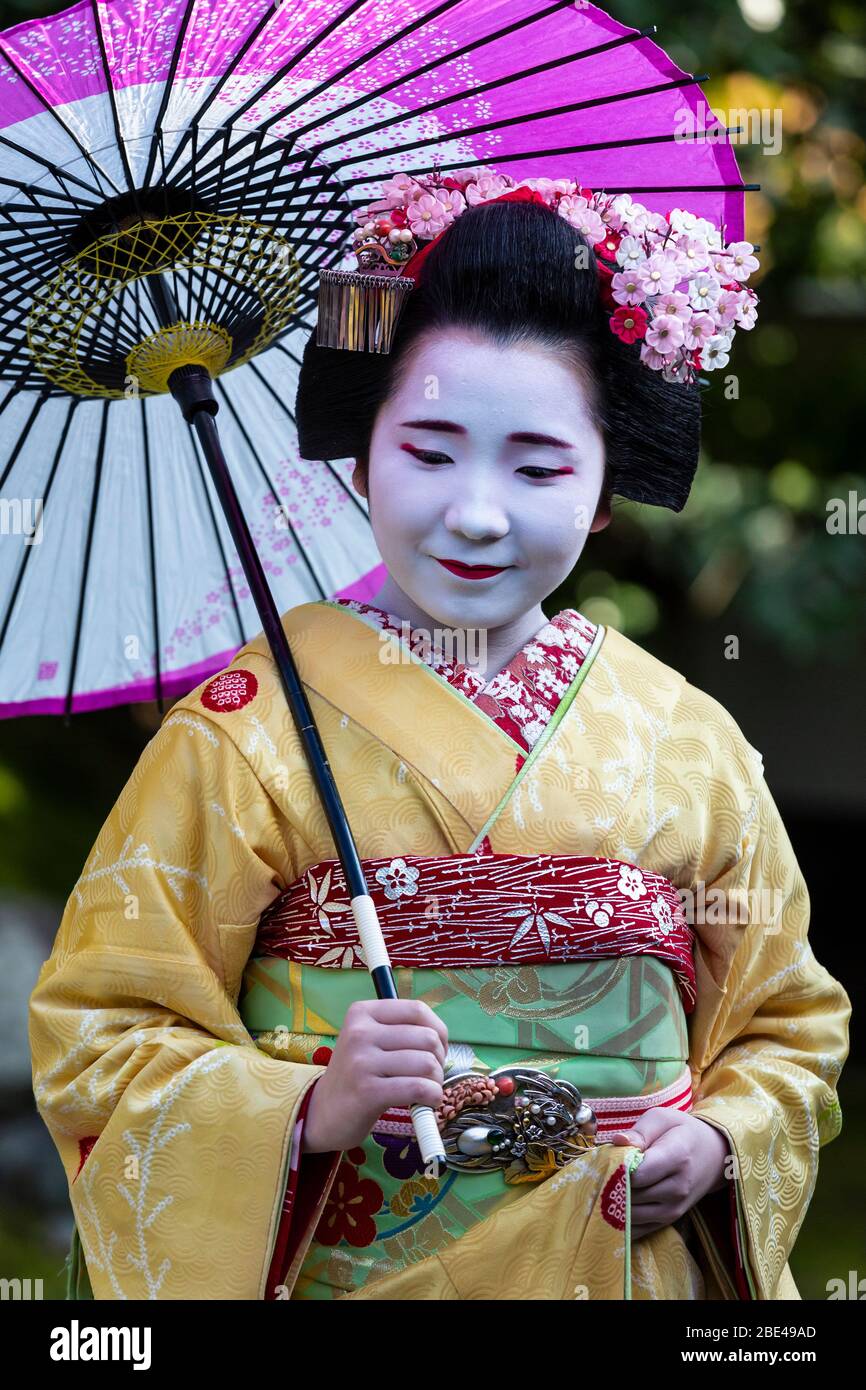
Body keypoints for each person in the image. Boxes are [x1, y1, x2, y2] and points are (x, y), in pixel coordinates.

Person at [29, 173, 851, 1302]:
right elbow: (102, 1031)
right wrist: (305, 1107)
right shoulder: (246, 730)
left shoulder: (683, 735)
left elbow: (784, 1022)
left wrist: (720, 1143)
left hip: (625, 1268)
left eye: (539, 465)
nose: (476, 510)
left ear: (608, 488)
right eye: (428, 449)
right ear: (360, 457)